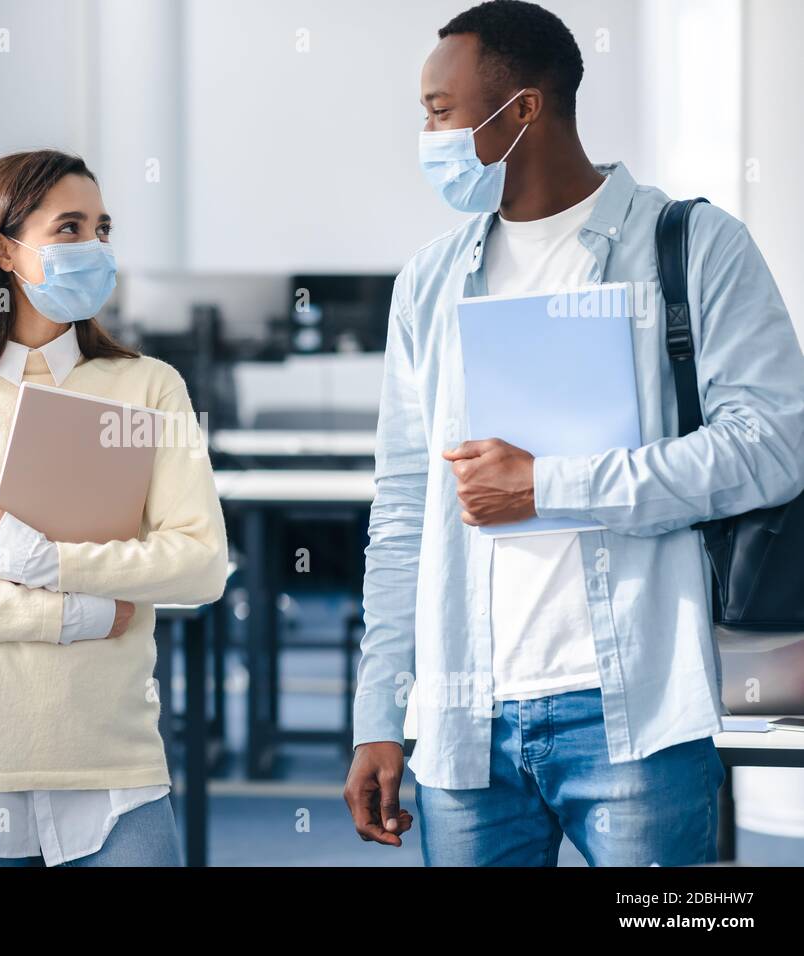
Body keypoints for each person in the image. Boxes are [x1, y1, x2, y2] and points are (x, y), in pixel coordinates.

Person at [344, 0, 804, 866]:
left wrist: (548, 484)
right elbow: (404, 507)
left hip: (636, 712)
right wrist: (380, 714)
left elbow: (776, 443)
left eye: (441, 111)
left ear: (520, 110)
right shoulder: (430, 282)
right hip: (462, 718)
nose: (428, 133)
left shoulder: (694, 246)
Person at [0, 149, 229, 867]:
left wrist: (40, 561)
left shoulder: (148, 388)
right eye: (69, 228)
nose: (94, 247)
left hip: (114, 770)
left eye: (102, 227)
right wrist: (72, 613)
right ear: (3, 249)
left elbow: (200, 565)